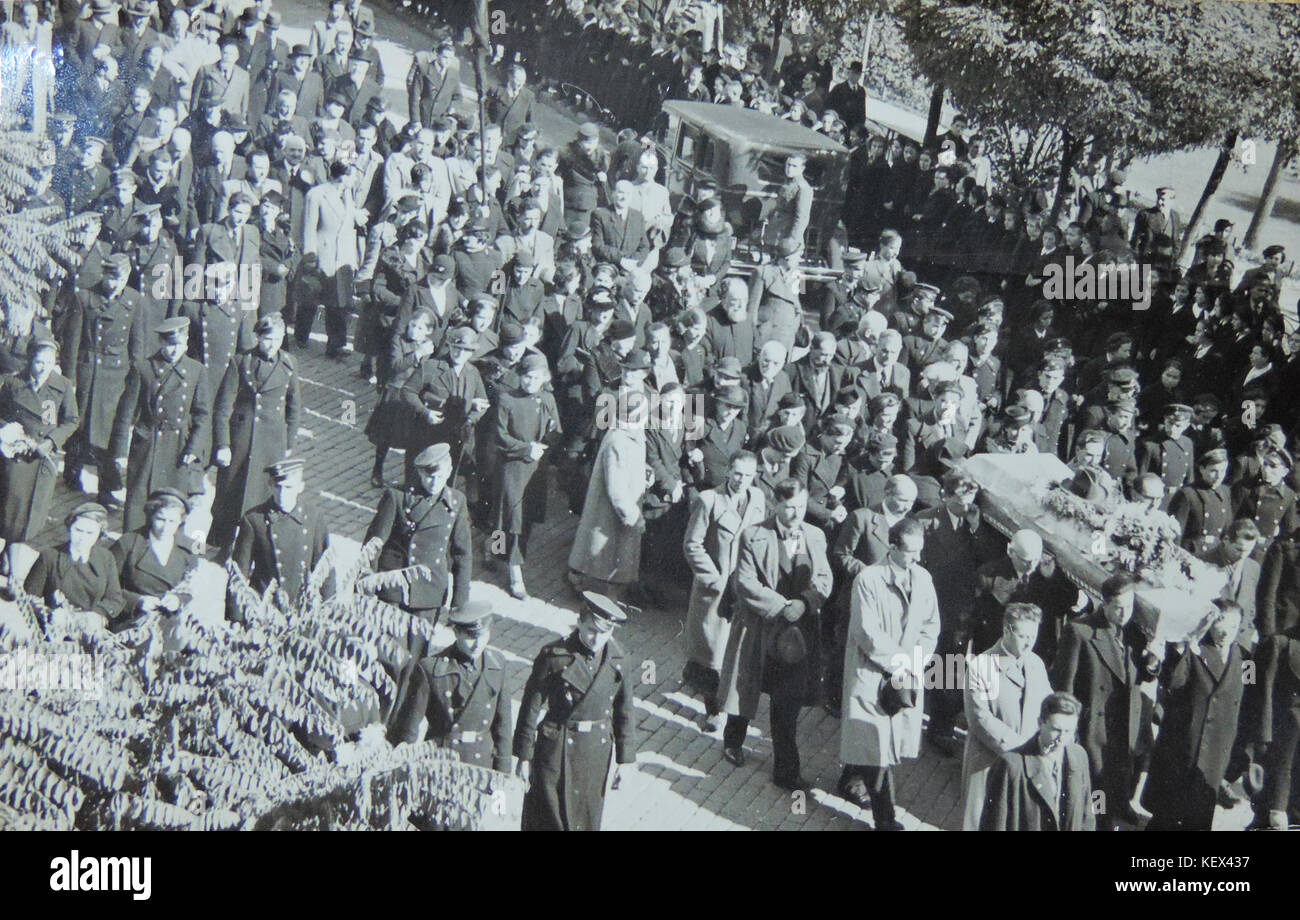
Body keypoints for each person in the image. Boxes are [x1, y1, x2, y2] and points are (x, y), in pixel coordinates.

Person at [717, 477, 834, 791]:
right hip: (760, 627)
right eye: (788, 507)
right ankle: (733, 739)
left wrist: (805, 603)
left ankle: (786, 771)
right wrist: (783, 606)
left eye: (799, 507)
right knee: (746, 687)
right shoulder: (754, 535)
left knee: (787, 702)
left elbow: (824, 578)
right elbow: (744, 583)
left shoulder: (815, 536)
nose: (795, 513)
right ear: (775, 504)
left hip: (798, 633)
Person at [838, 518, 940, 830]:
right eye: (910, 552)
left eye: (920, 552)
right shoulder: (869, 580)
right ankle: (886, 819)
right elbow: (867, 633)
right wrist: (901, 663)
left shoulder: (923, 578)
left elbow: (931, 625)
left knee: (873, 741)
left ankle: (849, 776)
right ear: (892, 548)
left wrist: (917, 660)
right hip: (872, 672)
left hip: (905, 673)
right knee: (876, 743)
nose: (917, 559)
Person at [513, 591, 638, 831]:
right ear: (579, 622)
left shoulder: (618, 659)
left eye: (605, 633)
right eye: (591, 630)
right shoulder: (555, 657)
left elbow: (625, 710)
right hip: (556, 748)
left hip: (594, 753)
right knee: (549, 819)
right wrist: (524, 755)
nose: (596, 639)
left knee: (586, 818)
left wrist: (626, 761)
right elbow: (531, 706)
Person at [1052, 572, 1162, 829]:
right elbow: (1064, 687)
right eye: (1118, 608)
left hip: (1126, 724)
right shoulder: (1080, 631)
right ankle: (1100, 823)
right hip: (1095, 728)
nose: (1125, 613)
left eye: (1130, 606)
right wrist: (1068, 730)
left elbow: (1140, 675)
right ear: (1104, 603)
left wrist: (1153, 663)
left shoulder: (1135, 633)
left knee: (1121, 776)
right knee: (1096, 787)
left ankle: (1117, 809)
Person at [1143, 600, 1246, 831]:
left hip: (1215, 754)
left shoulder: (1246, 660)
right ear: (1209, 624)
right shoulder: (1194, 650)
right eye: (1220, 626)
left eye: (1233, 627)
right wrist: (1184, 647)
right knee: (1165, 817)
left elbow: (1249, 702)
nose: (1226, 634)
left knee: (1198, 819)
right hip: (1182, 747)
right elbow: (1174, 682)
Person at [682, 450, 767, 731]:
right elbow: (692, 545)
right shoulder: (710, 501)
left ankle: (722, 700)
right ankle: (713, 710)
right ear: (728, 471)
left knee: (735, 649)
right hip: (715, 589)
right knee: (711, 651)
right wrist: (714, 579)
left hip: (742, 588)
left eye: (749, 475)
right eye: (738, 473)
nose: (742, 480)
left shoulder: (758, 499)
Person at [387, 599, 512, 776]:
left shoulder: (497, 665)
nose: (477, 644)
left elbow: (503, 725)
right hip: (443, 763)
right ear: (456, 632)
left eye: (482, 635)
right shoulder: (430, 669)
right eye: (470, 637)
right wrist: (399, 766)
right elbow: (409, 726)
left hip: (483, 765)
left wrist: (503, 774)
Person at [110, 317, 211, 533]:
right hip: (148, 444)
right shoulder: (143, 368)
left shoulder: (197, 371)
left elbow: (202, 415)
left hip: (178, 448)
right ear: (161, 343)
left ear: (186, 343)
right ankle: (133, 541)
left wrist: (193, 449)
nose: (174, 351)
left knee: (173, 502)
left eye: (179, 345)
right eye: (169, 345)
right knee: (138, 501)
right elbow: (125, 412)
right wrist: (119, 451)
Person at [210, 313, 301, 552]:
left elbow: (294, 408)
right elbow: (222, 406)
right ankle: (223, 545)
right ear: (258, 337)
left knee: (263, 495)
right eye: (267, 338)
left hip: (271, 443)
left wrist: (288, 443)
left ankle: (256, 547)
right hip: (241, 440)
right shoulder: (240, 362)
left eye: (278, 339)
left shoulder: (289, 365)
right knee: (230, 492)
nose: (272, 344)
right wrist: (222, 444)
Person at [961, 603, 1053, 830]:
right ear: (1006, 631)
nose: (1029, 642)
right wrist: (1022, 749)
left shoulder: (1036, 664)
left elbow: (1048, 706)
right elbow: (980, 719)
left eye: (1033, 635)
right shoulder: (981, 666)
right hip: (992, 762)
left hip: (1027, 765)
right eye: (1022, 636)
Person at [364, 443, 472, 633]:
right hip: (394, 589)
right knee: (389, 653)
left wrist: (459, 602)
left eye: (439, 477)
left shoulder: (457, 502)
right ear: (420, 473)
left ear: (449, 472)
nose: (434, 483)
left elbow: (462, 554)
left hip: (429, 592)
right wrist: (368, 585)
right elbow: (373, 545)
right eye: (429, 477)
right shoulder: (396, 497)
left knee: (417, 655)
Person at [0, 337, 79, 567]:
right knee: (13, 509)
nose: (43, 368)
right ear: (29, 361)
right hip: (16, 458)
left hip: (43, 459)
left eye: (48, 362)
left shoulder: (62, 386)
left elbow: (71, 420)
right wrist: (7, 428)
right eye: (38, 362)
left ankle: (6, 556)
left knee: (32, 514)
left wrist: (52, 441)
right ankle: (13, 569)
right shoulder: (13, 384)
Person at [492, 353, 563, 599]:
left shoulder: (547, 399)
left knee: (527, 516)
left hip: (537, 467)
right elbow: (500, 436)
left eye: (535, 377)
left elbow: (556, 430)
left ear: (544, 378)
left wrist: (547, 443)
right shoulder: (507, 400)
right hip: (513, 466)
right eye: (526, 377)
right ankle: (513, 570)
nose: (530, 382)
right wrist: (526, 449)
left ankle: (495, 552)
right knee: (509, 517)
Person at [568, 388, 649, 600]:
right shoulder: (619, 442)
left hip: (616, 517)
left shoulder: (630, 436)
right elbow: (617, 490)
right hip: (612, 518)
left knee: (610, 567)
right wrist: (634, 518)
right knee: (605, 568)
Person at [979, 692, 1097, 831]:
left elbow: (1087, 815)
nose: (1062, 738)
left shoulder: (1079, 755)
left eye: (1068, 731)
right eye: (1056, 730)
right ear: (1040, 723)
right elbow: (994, 824)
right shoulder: (1011, 765)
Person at [230, 458, 333, 605]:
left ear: (300, 487)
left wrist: (328, 609)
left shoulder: (313, 518)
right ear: (270, 486)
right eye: (278, 487)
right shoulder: (254, 520)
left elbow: (325, 568)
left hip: (302, 604)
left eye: (289, 487)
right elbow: (238, 574)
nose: (283, 494)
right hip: (264, 604)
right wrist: (236, 617)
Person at [23, 502, 124, 628]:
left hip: (90, 626)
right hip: (54, 625)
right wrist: (49, 614)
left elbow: (115, 599)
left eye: (90, 533)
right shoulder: (49, 556)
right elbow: (29, 597)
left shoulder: (106, 558)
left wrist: (95, 615)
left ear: (99, 533)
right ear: (69, 528)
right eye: (78, 530)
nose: (83, 538)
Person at [110, 489, 200, 629]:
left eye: (172, 521)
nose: (165, 527)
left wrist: (178, 600)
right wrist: (137, 601)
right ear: (151, 516)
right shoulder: (128, 543)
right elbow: (107, 585)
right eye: (160, 519)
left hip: (174, 621)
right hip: (133, 619)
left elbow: (193, 586)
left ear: (180, 521)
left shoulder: (190, 548)